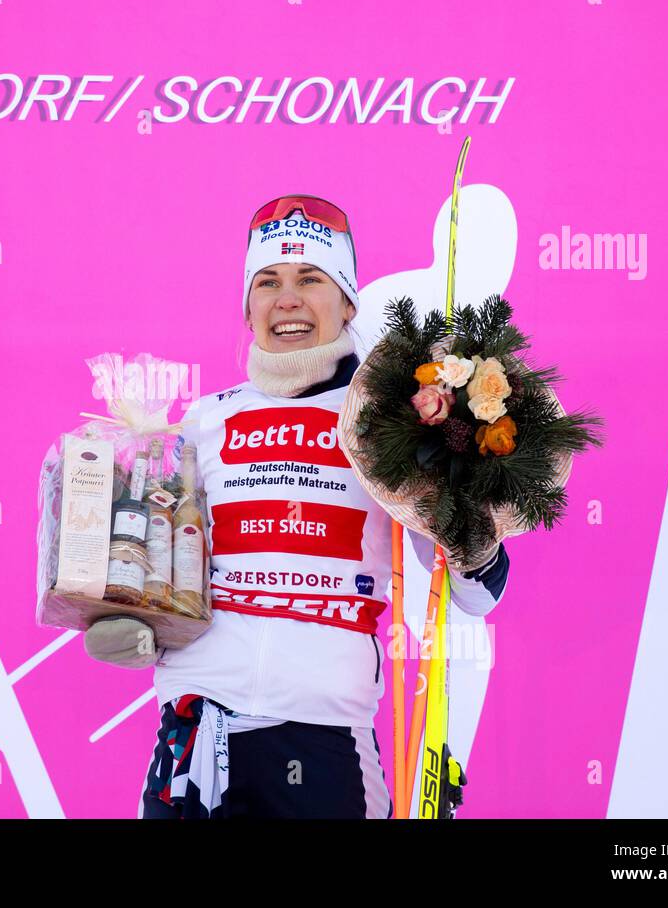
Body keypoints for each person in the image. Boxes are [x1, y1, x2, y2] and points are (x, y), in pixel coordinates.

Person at [86, 194, 510, 819]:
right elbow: (156, 573)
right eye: (268, 282)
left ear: (347, 302)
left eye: (311, 279)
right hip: (196, 731)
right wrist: (128, 624)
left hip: (324, 738)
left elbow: (477, 595)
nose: (287, 299)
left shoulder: (390, 427)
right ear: (248, 306)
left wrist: (475, 539)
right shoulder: (203, 421)